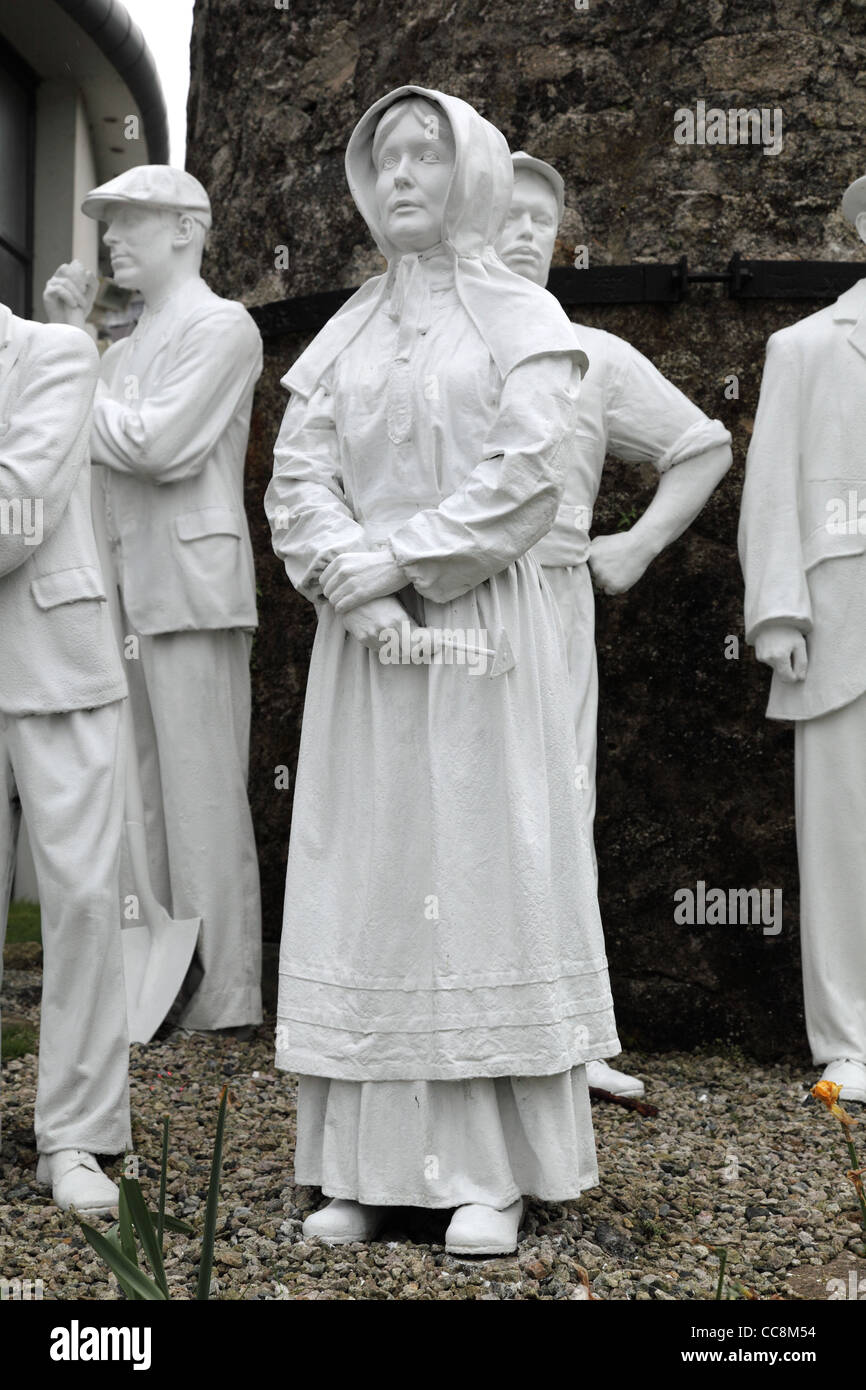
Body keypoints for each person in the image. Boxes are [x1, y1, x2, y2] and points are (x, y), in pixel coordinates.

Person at [265, 86, 619, 1257]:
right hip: (365, 659)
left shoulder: (521, 318)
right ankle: (365, 1166)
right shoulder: (350, 330)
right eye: (388, 158)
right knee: (373, 883)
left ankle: (486, 1171)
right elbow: (294, 477)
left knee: (473, 877)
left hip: (479, 640)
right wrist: (346, 580)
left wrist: (394, 563)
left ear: (465, 170)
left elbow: (527, 477)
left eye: (428, 153)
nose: (406, 174)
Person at [496, 152, 733, 1099]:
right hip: (444, 606)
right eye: (504, 214)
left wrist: (633, 545)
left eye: (538, 221)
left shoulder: (594, 355)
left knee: (558, 803)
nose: (521, 234)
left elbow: (700, 445)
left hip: (550, 599)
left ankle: (572, 1029)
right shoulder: (435, 346)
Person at [44, 168, 263, 1034]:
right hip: (123, 590)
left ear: (186, 229)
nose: (110, 241)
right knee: (136, 794)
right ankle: (159, 987)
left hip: (192, 591)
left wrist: (68, 367)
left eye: (129, 222)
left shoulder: (224, 328)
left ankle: (229, 993)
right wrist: (81, 355)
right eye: (107, 225)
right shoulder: (120, 351)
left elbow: (158, 446)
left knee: (204, 793)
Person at [739, 173, 866, 1104]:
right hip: (843, 613)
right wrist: (779, 607)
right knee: (842, 829)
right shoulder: (808, 346)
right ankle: (850, 1035)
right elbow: (772, 482)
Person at [0, 301, 130, 1213]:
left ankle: (77, 1134)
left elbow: (21, 502)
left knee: (83, 901)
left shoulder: (56, 350)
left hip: (60, 664)